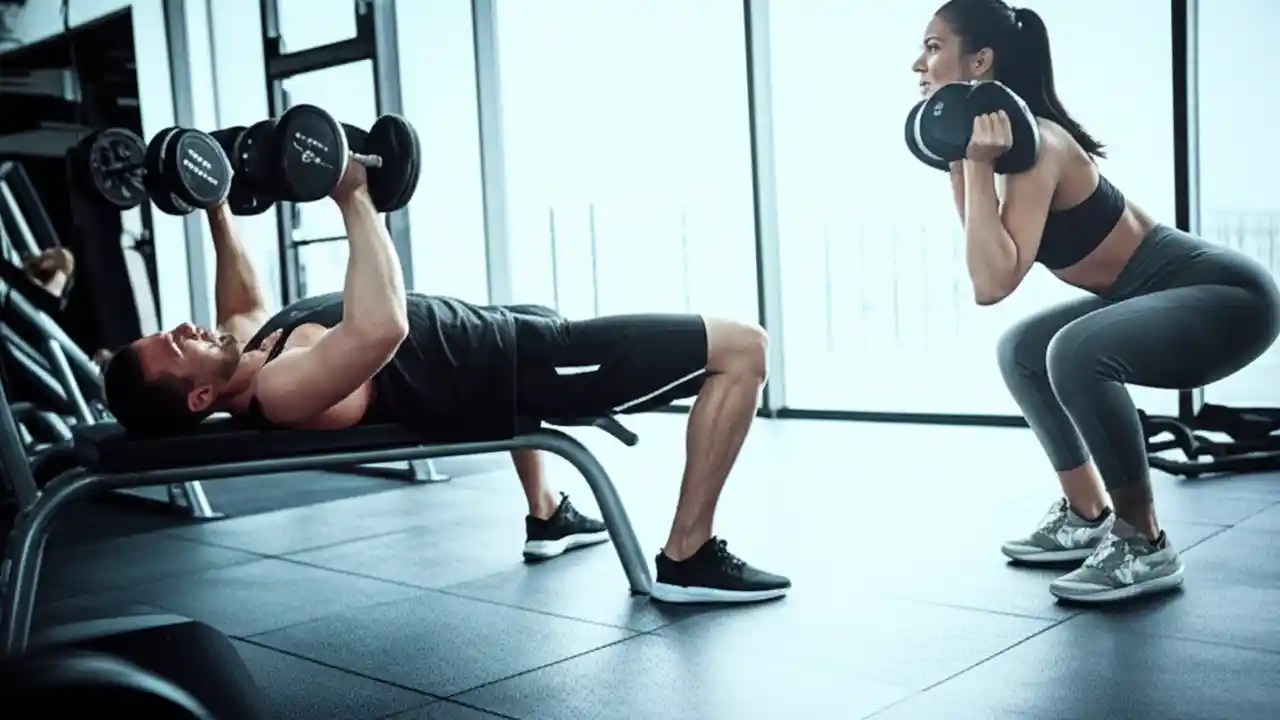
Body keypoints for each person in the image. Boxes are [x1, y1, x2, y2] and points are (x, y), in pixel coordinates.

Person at [101, 155, 790, 605]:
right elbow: (381, 330)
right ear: (199, 397)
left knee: (538, 311)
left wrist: (215, 201)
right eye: (173, 347)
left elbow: (240, 301)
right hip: (533, 366)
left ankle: (547, 515)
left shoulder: (254, 347)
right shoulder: (279, 388)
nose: (180, 327)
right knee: (744, 347)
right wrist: (353, 197)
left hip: (506, 336)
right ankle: (688, 554)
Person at [912, 0, 1280, 604]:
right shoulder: (1006, 150)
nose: (916, 64)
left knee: (1074, 351)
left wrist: (973, 167)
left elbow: (991, 284)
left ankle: (1144, 542)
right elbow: (992, 259)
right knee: (1023, 350)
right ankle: (1087, 512)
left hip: (1227, 296)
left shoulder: (1041, 146)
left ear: (979, 61)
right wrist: (963, 165)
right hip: (1153, 291)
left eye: (932, 47)